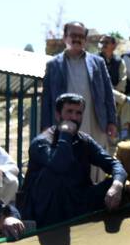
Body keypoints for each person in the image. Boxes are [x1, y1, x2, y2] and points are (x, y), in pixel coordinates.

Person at [18, 94, 126, 229]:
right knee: (53, 175)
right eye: (69, 112)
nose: (74, 117)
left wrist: (117, 185)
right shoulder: (41, 142)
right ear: (58, 115)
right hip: (48, 209)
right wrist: (65, 134)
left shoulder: (84, 140)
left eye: (78, 113)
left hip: (77, 201)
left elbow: (114, 164)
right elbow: (60, 165)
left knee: (122, 187)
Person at [41, 21, 118, 155]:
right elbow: (47, 99)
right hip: (65, 124)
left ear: (85, 40)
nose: (77, 39)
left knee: (95, 164)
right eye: (73, 35)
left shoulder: (97, 63)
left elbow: (108, 93)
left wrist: (112, 121)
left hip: (95, 122)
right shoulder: (53, 65)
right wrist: (46, 127)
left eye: (81, 36)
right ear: (65, 37)